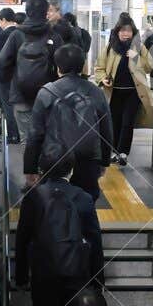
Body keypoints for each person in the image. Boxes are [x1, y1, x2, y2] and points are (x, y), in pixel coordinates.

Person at [14, 156, 105, 306]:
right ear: (72, 170)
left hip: (44, 275)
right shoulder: (83, 198)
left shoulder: (33, 197)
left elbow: (22, 239)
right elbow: (95, 241)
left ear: (42, 170)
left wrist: (21, 276)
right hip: (77, 275)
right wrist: (98, 281)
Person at [24, 43, 110, 199]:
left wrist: (30, 168)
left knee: (53, 202)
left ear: (58, 67)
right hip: (88, 158)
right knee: (86, 201)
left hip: (54, 158)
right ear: (82, 65)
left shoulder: (46, 92)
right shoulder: (96, 92)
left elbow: (35, 134)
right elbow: (106, 129)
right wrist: (104, 161)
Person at [92, 14, 153, 166]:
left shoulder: (139, 48)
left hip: (134, 92)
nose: (126, 34)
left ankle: (123, 153)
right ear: (117, 32)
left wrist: (135, 57)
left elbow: (149, 66)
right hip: (114, 92)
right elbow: (99, 68)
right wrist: (103, 79)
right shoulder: (109, 48)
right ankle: (114, 151)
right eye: (122, 30)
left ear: (133, 33)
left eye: (129, 31)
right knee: (115, 122)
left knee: (127, 122)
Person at [0, 0, 61, 142]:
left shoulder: (17, 34)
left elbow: (2, 61)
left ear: (27, 12)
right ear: (45, 12)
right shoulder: (54, 36)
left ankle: (29, 164)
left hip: (21, 96)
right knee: (49, 140)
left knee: (28, 142)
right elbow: (63, 65)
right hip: (49, 97)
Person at [0, 7, 22, 143]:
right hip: (19, 75)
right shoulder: (20, 33)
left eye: (0, 21)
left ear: (3, 20)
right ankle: (19, 134)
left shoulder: (2, 35)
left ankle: (13, 135)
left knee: (7, 106)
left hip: (4, 76)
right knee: (16, 106)